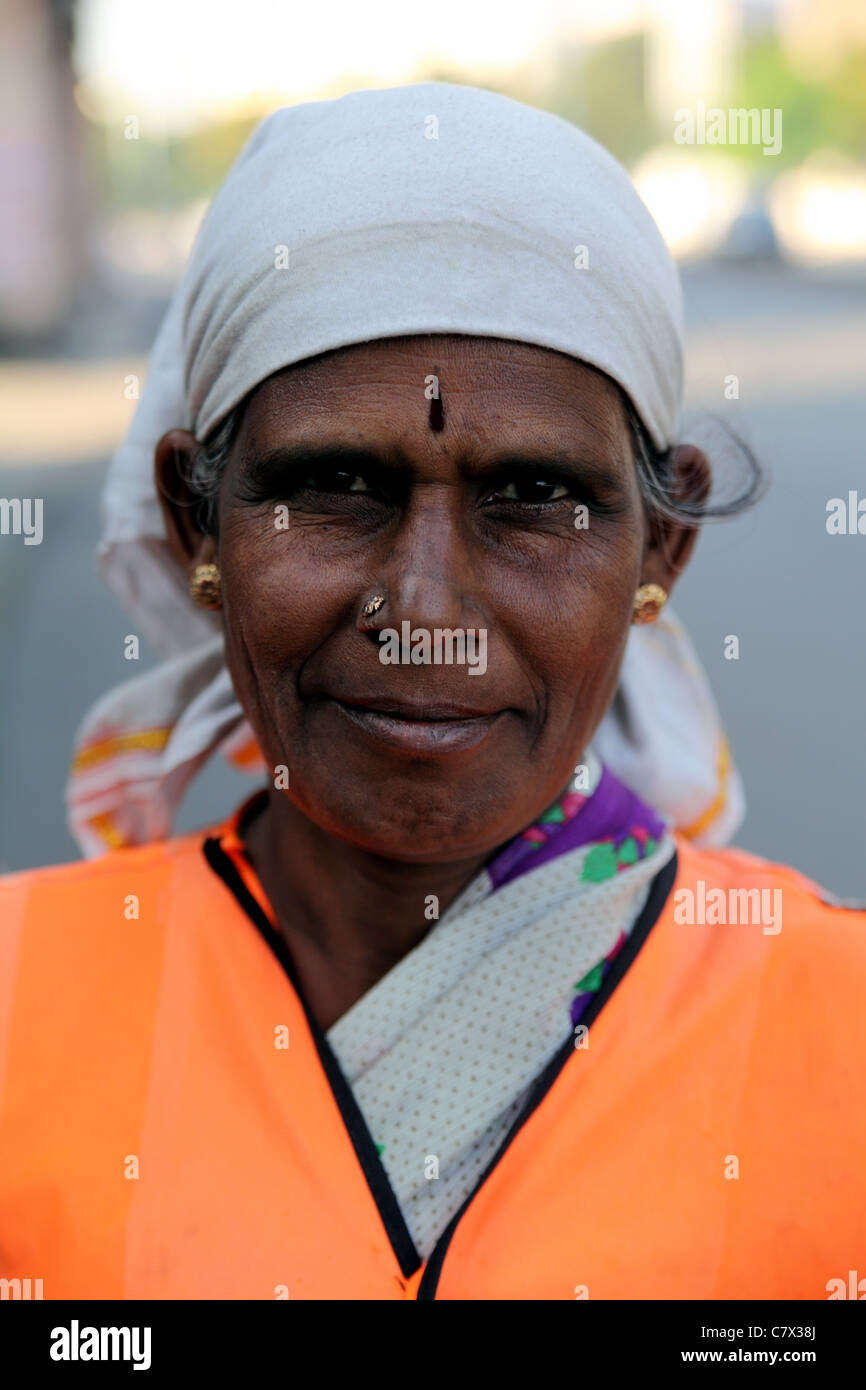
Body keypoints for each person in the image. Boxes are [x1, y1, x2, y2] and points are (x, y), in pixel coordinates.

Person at [1, 81, 864, 1302]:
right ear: (198, 519)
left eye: (529, 500)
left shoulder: (842, 1037)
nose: (422, 617)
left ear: (657, 554)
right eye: (335, 484)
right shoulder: (16, 998)